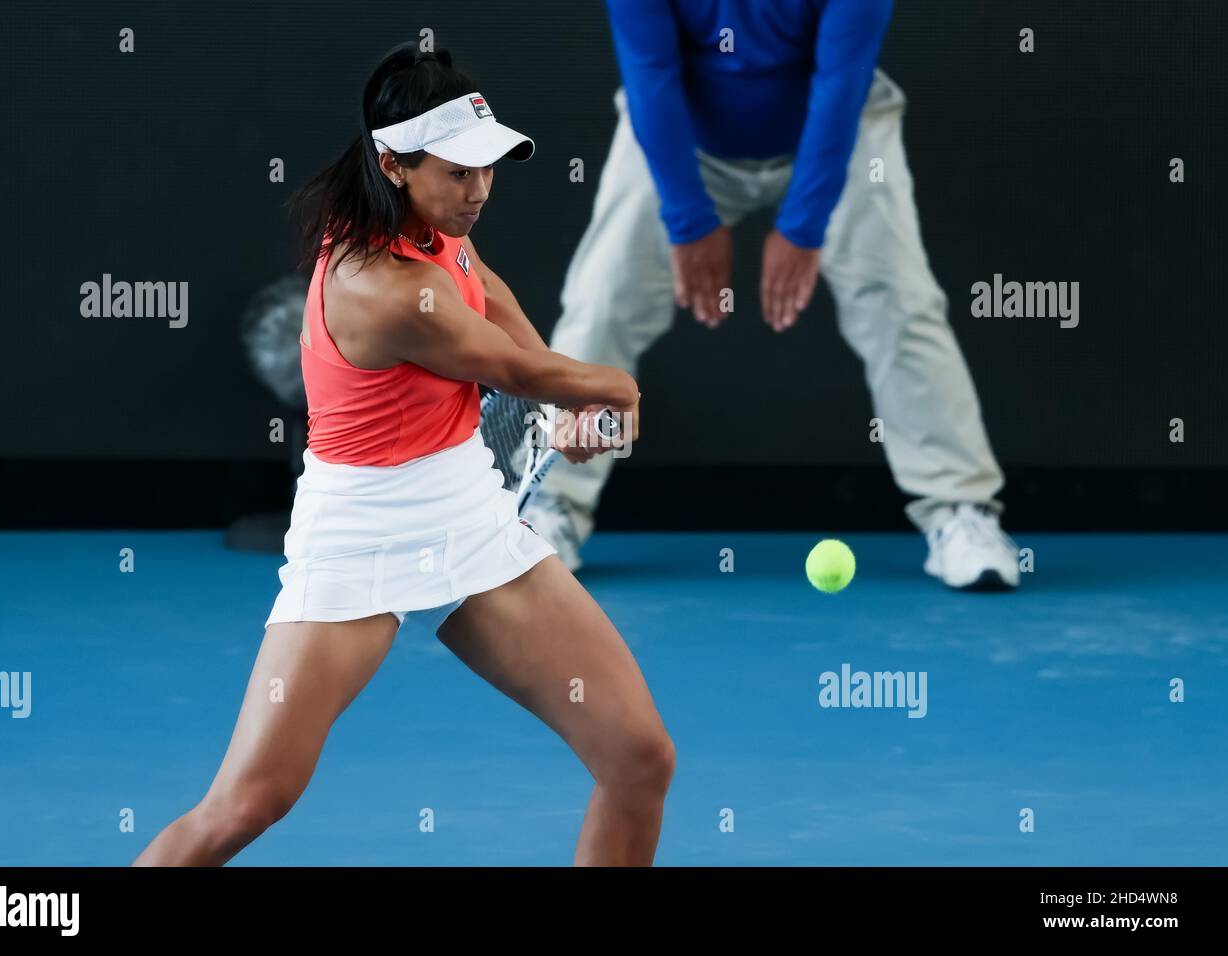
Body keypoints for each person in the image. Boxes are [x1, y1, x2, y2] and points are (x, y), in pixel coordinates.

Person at [133, 42, 672, 867]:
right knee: (247, 802)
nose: (479, 190)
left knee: (639, 758)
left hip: (469, 516)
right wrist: (611, 390)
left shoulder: (430, 222)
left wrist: (569, 400)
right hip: (358, 537)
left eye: (487, 169)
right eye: (458, 172)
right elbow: (514, 369)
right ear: (394, 163)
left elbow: (484, 288)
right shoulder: (377, 288)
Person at [523, 0, 1022, 590]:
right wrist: (687, 220)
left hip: (839, 130)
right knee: (602, 299)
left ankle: (960, 511)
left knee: (902, 305)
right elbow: (651, 73)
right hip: (681, 133)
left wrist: (804, 225)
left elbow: (841, 78)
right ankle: (549, 506)